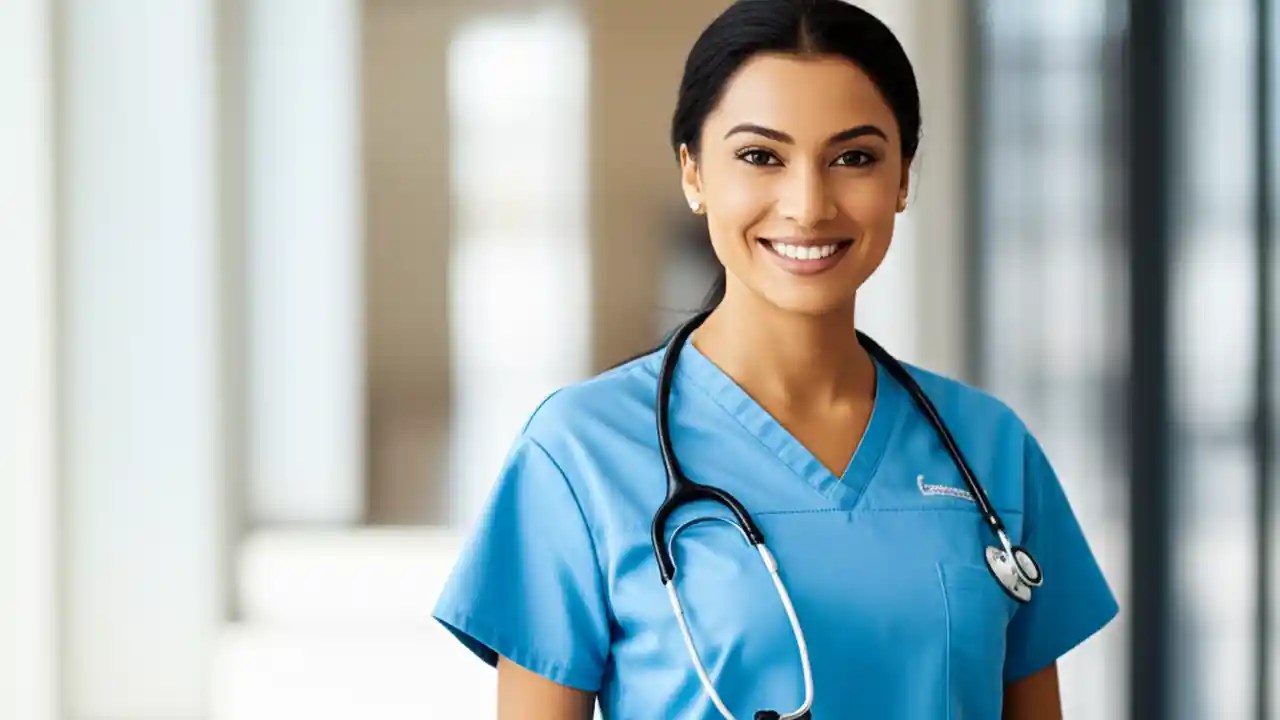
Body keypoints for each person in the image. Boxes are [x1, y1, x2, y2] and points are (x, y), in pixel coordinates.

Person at [433, 1, 1118, 717]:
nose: (809, 205)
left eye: (854, 158)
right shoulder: (580, 453)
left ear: (903, 179)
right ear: (694, 174)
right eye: (761, 157)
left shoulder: (989, 447)